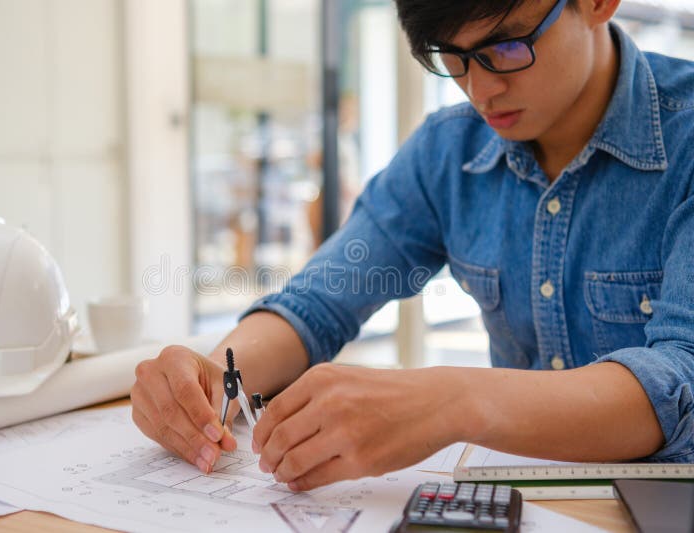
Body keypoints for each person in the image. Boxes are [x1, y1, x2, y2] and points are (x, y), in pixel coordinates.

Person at [131, 0, 694, 492]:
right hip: (523, 502)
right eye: (451, 58)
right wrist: (214, 377)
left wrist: (450, 402)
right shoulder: (447, 152)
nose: (481, 89)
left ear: (598, 2)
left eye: (508, 47)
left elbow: (682, 375)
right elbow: (318, 302)